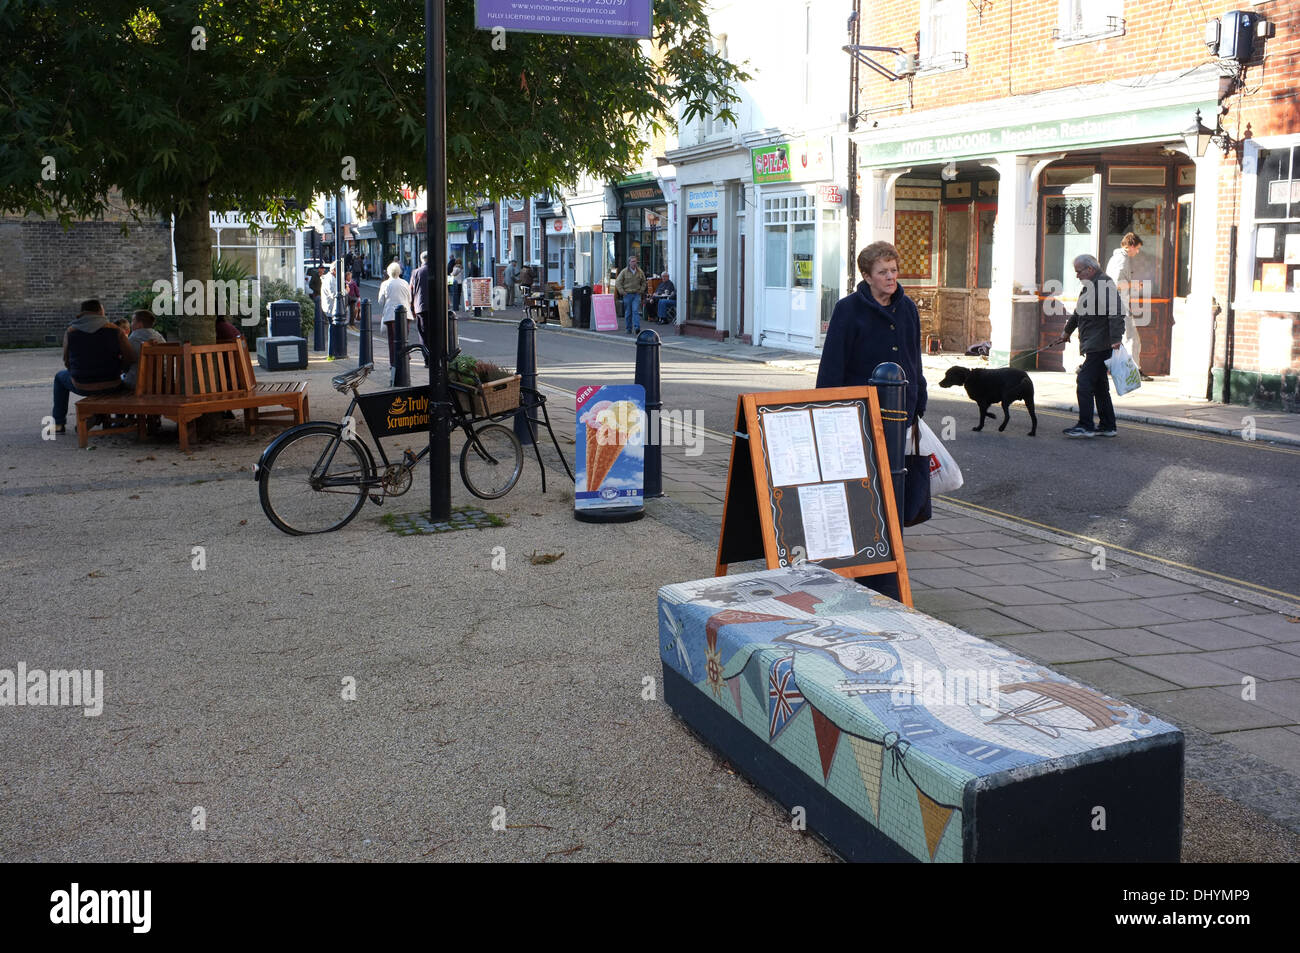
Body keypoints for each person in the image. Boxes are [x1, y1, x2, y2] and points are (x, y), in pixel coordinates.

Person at [816, 242, 927, 601]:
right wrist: (828, 409)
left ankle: (888, 563)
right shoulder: (848, 310)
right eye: (883, 272)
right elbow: (832, 363)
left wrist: (919, 398)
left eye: (894, 270)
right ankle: (861, 560)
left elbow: (914, 357)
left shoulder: (907, 308)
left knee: (894, 486)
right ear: (866, 276)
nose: (891, 277)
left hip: (900, 413)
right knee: (862, 490)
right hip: (858, 414)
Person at [1057, 254, 1126, 438]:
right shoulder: (1090, 286)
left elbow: (1117, 312)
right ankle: (1108, 426)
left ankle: (1086, 425)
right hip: (1093, 343)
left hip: (1101, 344)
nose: (1077, 276)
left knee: (1085, 381)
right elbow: (1079, 312)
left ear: (1090, 269)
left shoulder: (1103, 283)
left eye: (1079, 271)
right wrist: (1067, 331)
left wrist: (1116, 339)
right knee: (1100, 386)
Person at [51, 299, 136, 434]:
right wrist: (119, 369)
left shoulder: (70, 331)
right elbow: (130, 358)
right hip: (112, 384)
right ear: (100, 311)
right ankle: (103, 417)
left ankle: (59, 424)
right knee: (122, 383)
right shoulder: (116, 330)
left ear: (82, 313)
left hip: (82, 385)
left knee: (59, 378)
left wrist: (79, 371)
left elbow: (66, 360)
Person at [1105, 231, 1155, 381]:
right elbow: (1116, 283)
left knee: (1116, 339)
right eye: (1137, 248)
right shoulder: (1122, 259)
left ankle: (1094, 366)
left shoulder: (1115, 258)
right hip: (1120, 306)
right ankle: (1135, 371)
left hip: (1114, 304)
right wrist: (1135, 285)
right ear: (1130, 246)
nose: (1138, 251)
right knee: (1132, 338)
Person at [377, 261, 413, 367]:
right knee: (404, 338)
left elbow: (380, 301)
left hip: (390, 315)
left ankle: (393, 362)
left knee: (392, 340)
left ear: (388, 272)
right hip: (405, 315)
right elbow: (409, 299)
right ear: (399, 272)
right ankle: (405, 357)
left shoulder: (385, 284)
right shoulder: (405, 283)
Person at [122, 310, 165, 390]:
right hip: (160, 383)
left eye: (133, 321)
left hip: (137, 385)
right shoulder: (160, 338)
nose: (131, 324)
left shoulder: (133, 338)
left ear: (139, 324)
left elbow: (125, 363)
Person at [615, 257, 647, 334]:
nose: (634, 263)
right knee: (628, 312)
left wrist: (641, 290)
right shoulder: (624, 272)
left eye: (635, 261)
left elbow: (644, 282)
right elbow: (618, 282)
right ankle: (628, 328)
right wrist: (622, 292)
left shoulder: (640, 272)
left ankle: (637, 328)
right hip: (627, 295)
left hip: (636, 294)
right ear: (629, 262)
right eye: (632, 261)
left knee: (635, 310)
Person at [410, 251, 431, 347]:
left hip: (420, 306)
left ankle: (426, 357)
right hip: (435, 307)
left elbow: (411, 289)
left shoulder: (416, 272)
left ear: (421, 259)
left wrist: (411, 307)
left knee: (423, 333)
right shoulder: (436, 270)